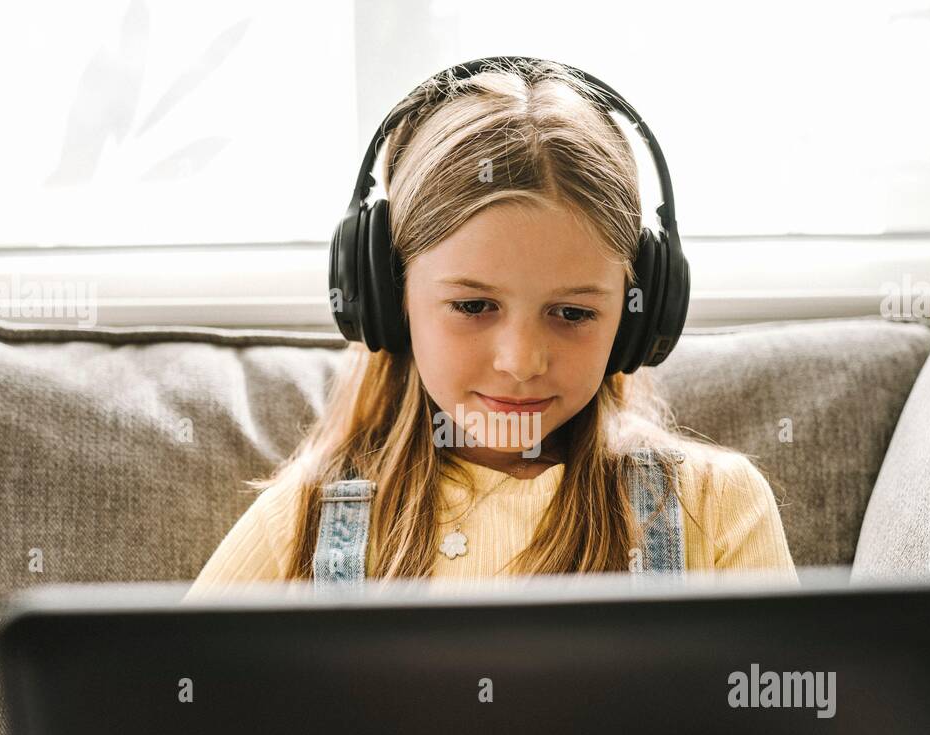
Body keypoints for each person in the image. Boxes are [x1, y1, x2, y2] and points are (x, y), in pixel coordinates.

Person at [185, 58, 795, 599]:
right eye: (474, 307)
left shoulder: (717, 506)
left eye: (574, 313)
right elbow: (168, 705)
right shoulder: (306, 521)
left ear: (640, 317)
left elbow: (783, 715)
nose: (521, 361)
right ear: (389, 299)